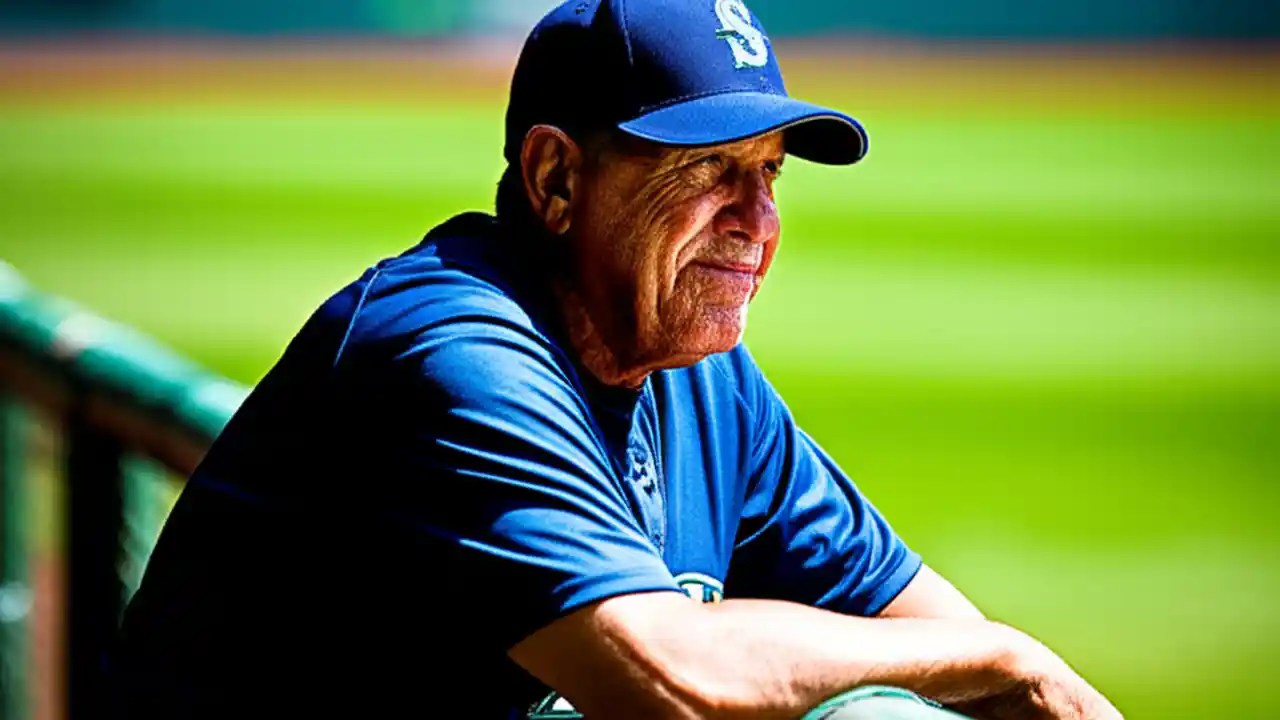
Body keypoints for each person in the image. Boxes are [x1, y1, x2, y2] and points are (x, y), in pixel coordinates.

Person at [107, 1, 1123, 718]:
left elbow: (917, 622)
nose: (757, 224)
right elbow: (670, 678)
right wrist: (1002, 657)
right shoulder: (451, 350)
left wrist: (993, 663)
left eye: (769, 176)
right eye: (709, 171)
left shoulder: (702, 377)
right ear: (554, 178)